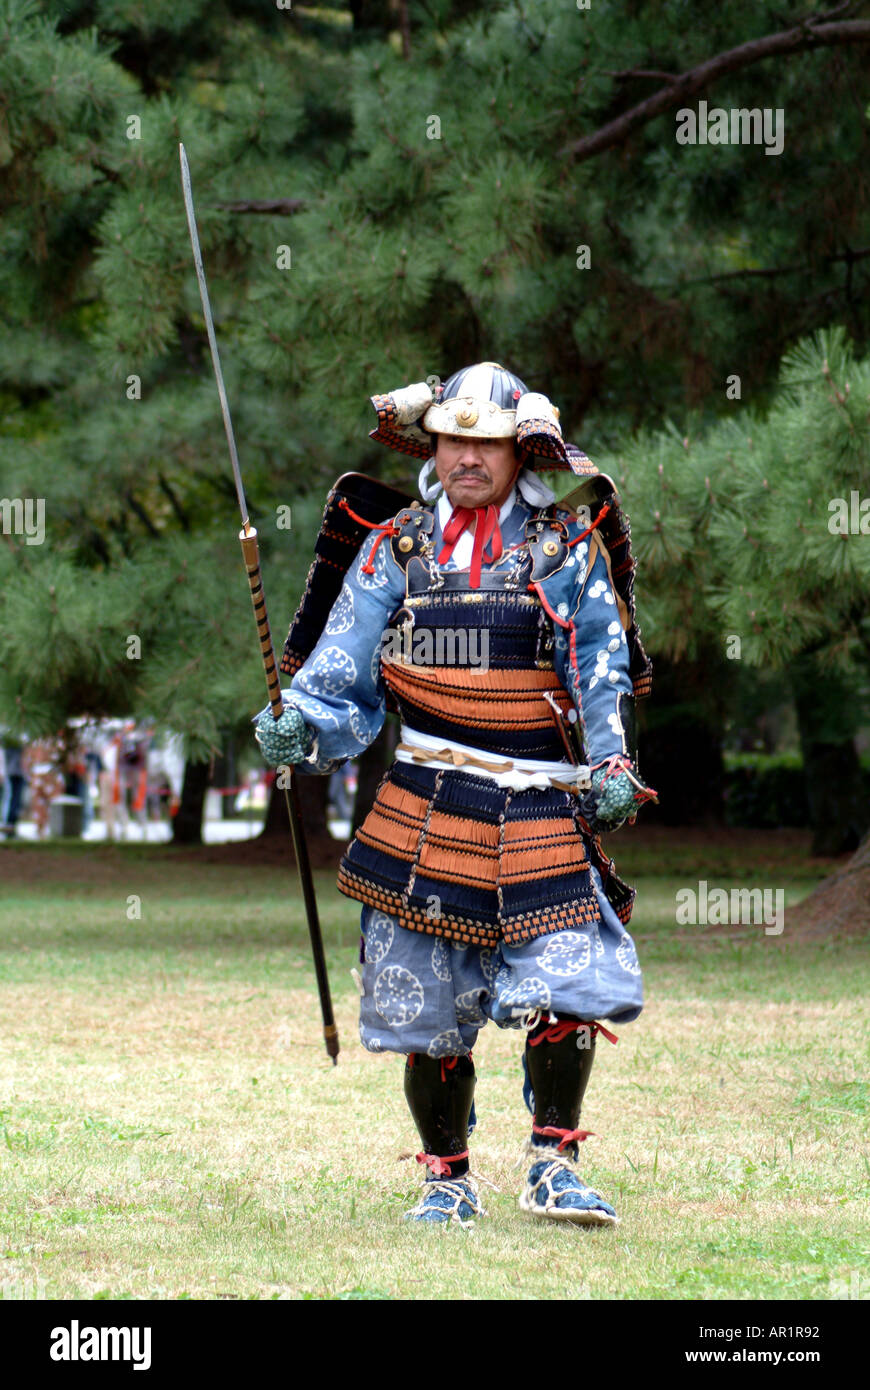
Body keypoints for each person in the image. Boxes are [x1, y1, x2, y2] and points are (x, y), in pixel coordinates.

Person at [255, 363, 655, 1226]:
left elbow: (601, 667)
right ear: (431, 442)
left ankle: (554, 1164)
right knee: (425, 1007)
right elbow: (339, 672)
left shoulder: (566, 546)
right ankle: (446, 1180)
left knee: (569, 985)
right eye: (453, 438)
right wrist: (300, 723)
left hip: (543, 803)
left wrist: (613, 764)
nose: (467, 456)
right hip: (423, 805)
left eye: (486, 442)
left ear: (519, 450)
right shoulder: (393, 549)